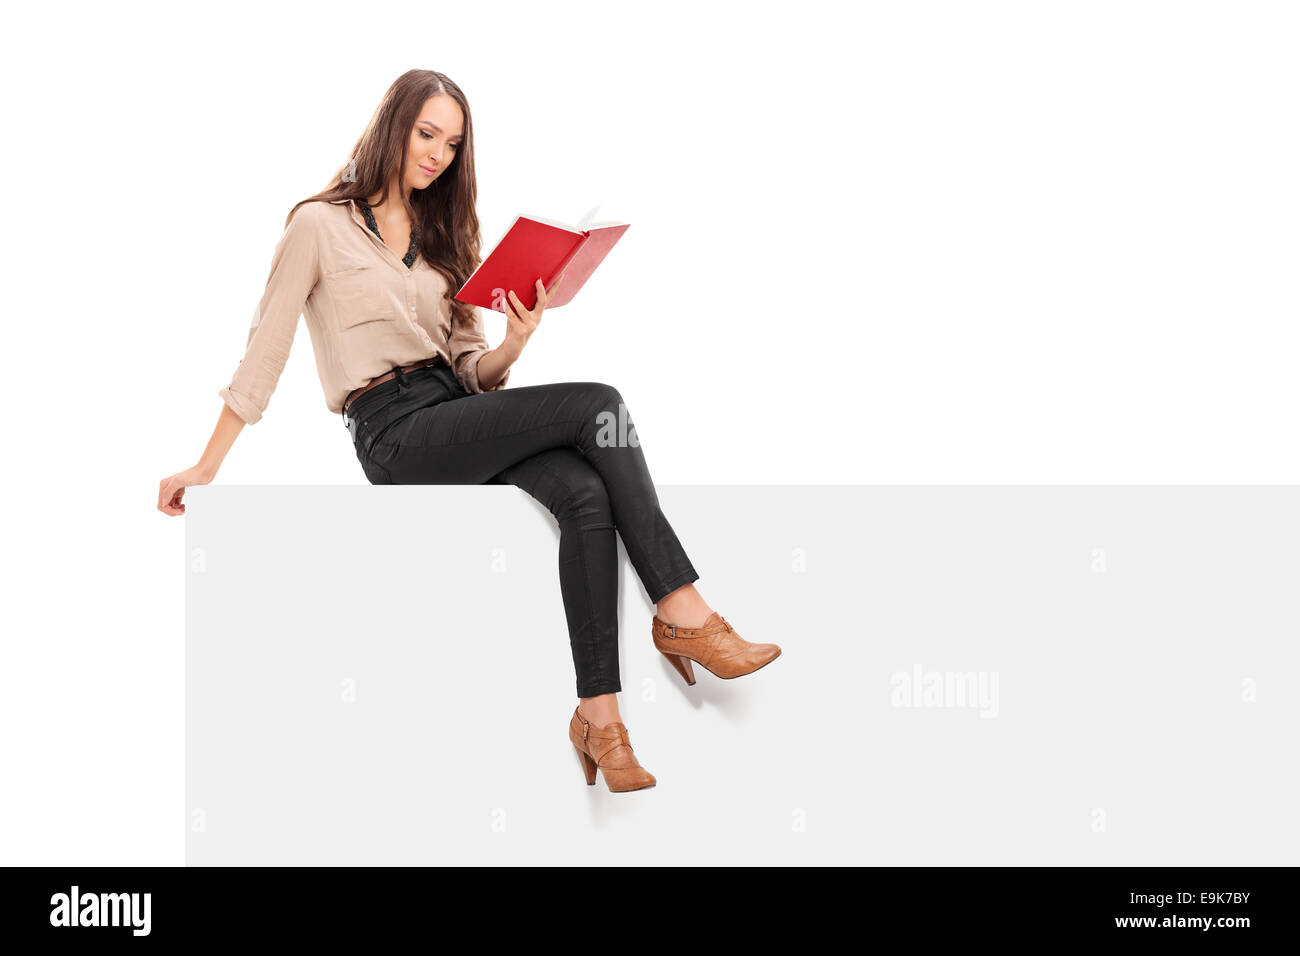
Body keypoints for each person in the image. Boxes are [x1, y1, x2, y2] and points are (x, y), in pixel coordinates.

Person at [157, 69, 781, 792]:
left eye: (452, 145)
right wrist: (207, 466)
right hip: (391, 428)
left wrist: (514, 343)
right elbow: (265, 349)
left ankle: (599, 718)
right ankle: (683, 611)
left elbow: (470, 367)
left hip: (454, 408)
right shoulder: (317, 224)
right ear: (393, 124)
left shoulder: (445, 233)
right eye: (427, 134)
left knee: (584, 492)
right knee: (599, 404)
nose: (437, 155)